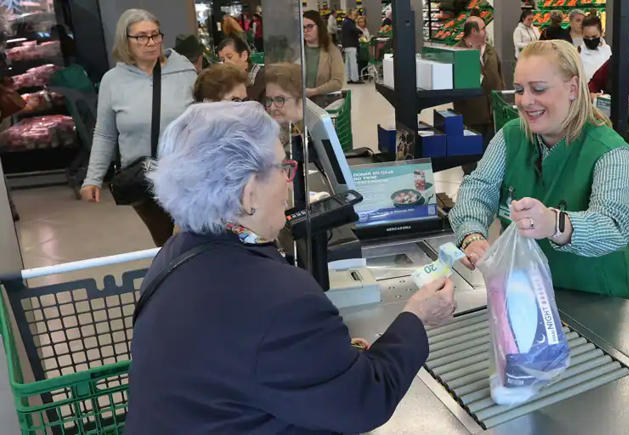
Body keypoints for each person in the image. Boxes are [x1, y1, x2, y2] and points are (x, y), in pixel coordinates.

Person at [126, 102, 457, 433]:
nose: (289, 183)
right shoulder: (281, 301)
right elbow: (365, 399)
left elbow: (240, 363)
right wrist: (416, 316)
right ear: (248, 193)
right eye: (283, 168)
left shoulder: (172, 256)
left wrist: (322, 353)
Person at [449, 40, 629, 299]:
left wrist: (555, 224)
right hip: (527, 292)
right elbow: (478, 189)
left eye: (538, 89)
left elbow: (614, 226)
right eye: (518, 90)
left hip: (595, 296)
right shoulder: (511, 136)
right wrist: (471, 235)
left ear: (572, 88)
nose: (526, 101)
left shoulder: (609, 151)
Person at [79, 9, 197, 247]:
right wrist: (92, 178)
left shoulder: (185, 71)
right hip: (143, 179)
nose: (151, 42)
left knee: (194, 239)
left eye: (155, 35)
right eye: (142, 37)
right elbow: (105, 133)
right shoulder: (113, 81)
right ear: (126, 41)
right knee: (166, 243)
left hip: (186, 175)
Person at [453, 17, 504, 144]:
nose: (486, 32)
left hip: (493, 115)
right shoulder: (458, 52)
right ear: (473, 31)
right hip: (471, 117)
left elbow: (499, 75)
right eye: (483, 29)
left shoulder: (490, 50)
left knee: (491, 154)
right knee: (470, 156)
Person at [301, 10, 345, 100]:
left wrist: (314, 91)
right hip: (299, 104)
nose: (305, 30)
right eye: (303, 27)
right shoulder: (297, 51)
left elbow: (337, 82)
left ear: (319, 27)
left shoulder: (332, 51)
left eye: (310, 26)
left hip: (325, 103)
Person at [265, 63, 305, 146]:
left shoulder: (310, 140)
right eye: (269, 100)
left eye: (279, 100)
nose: (272, 108)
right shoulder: (270, 133)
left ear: (300, 100)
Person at [217, 34, 265, 102]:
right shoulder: (226, 82)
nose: (226, 62)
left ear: (244, 56)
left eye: (229, 57)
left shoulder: (262, 78)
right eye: (223, 60)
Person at [578, 14, 610, 84]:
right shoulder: (578, 53)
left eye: (594, 36)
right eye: (587, 37)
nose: (591, 39)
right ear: (582, 34)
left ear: (601, 32)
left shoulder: (608, 51)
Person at [342, 10, 363, 84]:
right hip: (351, 45)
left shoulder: (345, 22)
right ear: (350, 15)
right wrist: (360, 32)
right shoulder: (349, 22)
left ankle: (349, 78)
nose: (355, 17)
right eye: (354, 15)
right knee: (353, 62)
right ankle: (355, 79)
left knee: (348, 63)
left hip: (346, 45)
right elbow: (354, 30)